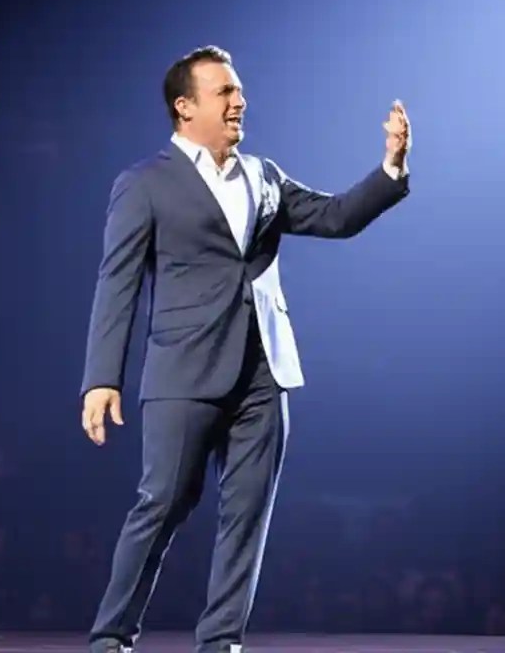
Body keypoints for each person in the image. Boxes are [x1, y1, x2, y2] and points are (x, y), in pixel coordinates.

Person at [79, 45, 412, 653]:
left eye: (239, 91)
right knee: (163, 504)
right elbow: (117, 282)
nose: (240, 101)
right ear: (185, 107)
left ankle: (222, 642)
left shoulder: (263, 175)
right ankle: (111, 636)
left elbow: (335, 217)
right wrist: (103, 377)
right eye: (224, 93)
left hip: (264, 369)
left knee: (247, 514)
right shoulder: (144, 184)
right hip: (185, 369)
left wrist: (389, 169)